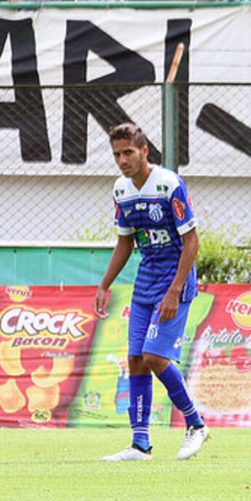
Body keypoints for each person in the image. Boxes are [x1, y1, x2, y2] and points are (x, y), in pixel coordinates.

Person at [95, 122, 210, 462]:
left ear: (144, 151)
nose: (122, 160)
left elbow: (192, 241)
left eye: (128, 152)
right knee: (135, 360)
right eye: (117, 154)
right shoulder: (121, 190)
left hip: (174, 281)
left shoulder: (168, 184)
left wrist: (175, 290)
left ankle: (196, 424)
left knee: (155, 357)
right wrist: (104, 284)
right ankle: (140, 444)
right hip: (146, 281)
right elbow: (125, 242)